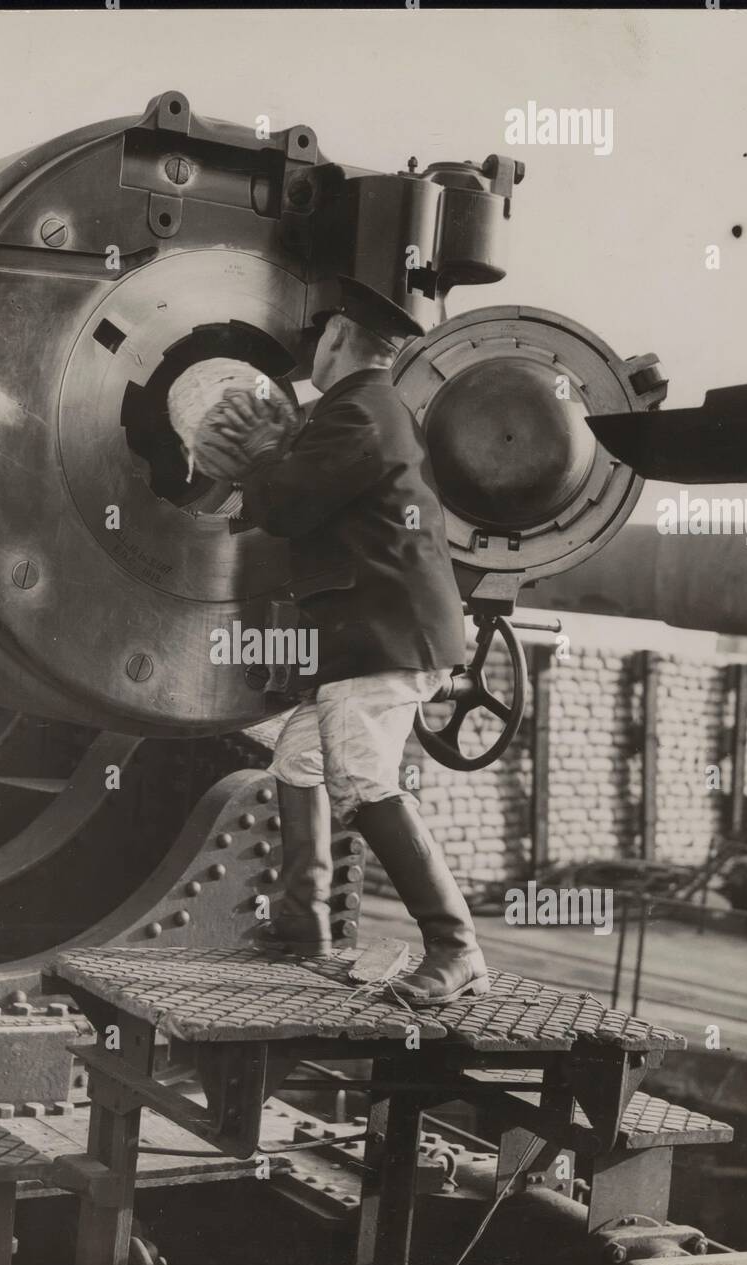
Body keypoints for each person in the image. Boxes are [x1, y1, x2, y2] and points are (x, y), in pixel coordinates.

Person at [216, 278, 489, 1005]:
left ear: (337, 336)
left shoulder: (361, 412)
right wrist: (276, 452)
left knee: (361, 781)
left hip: (382, 634)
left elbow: (285, 507)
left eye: (320, 334)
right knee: (299, 761)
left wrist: (256, 461)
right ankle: (304, 920)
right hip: (375, 630)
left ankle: (455, 946)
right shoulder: (355, 410)